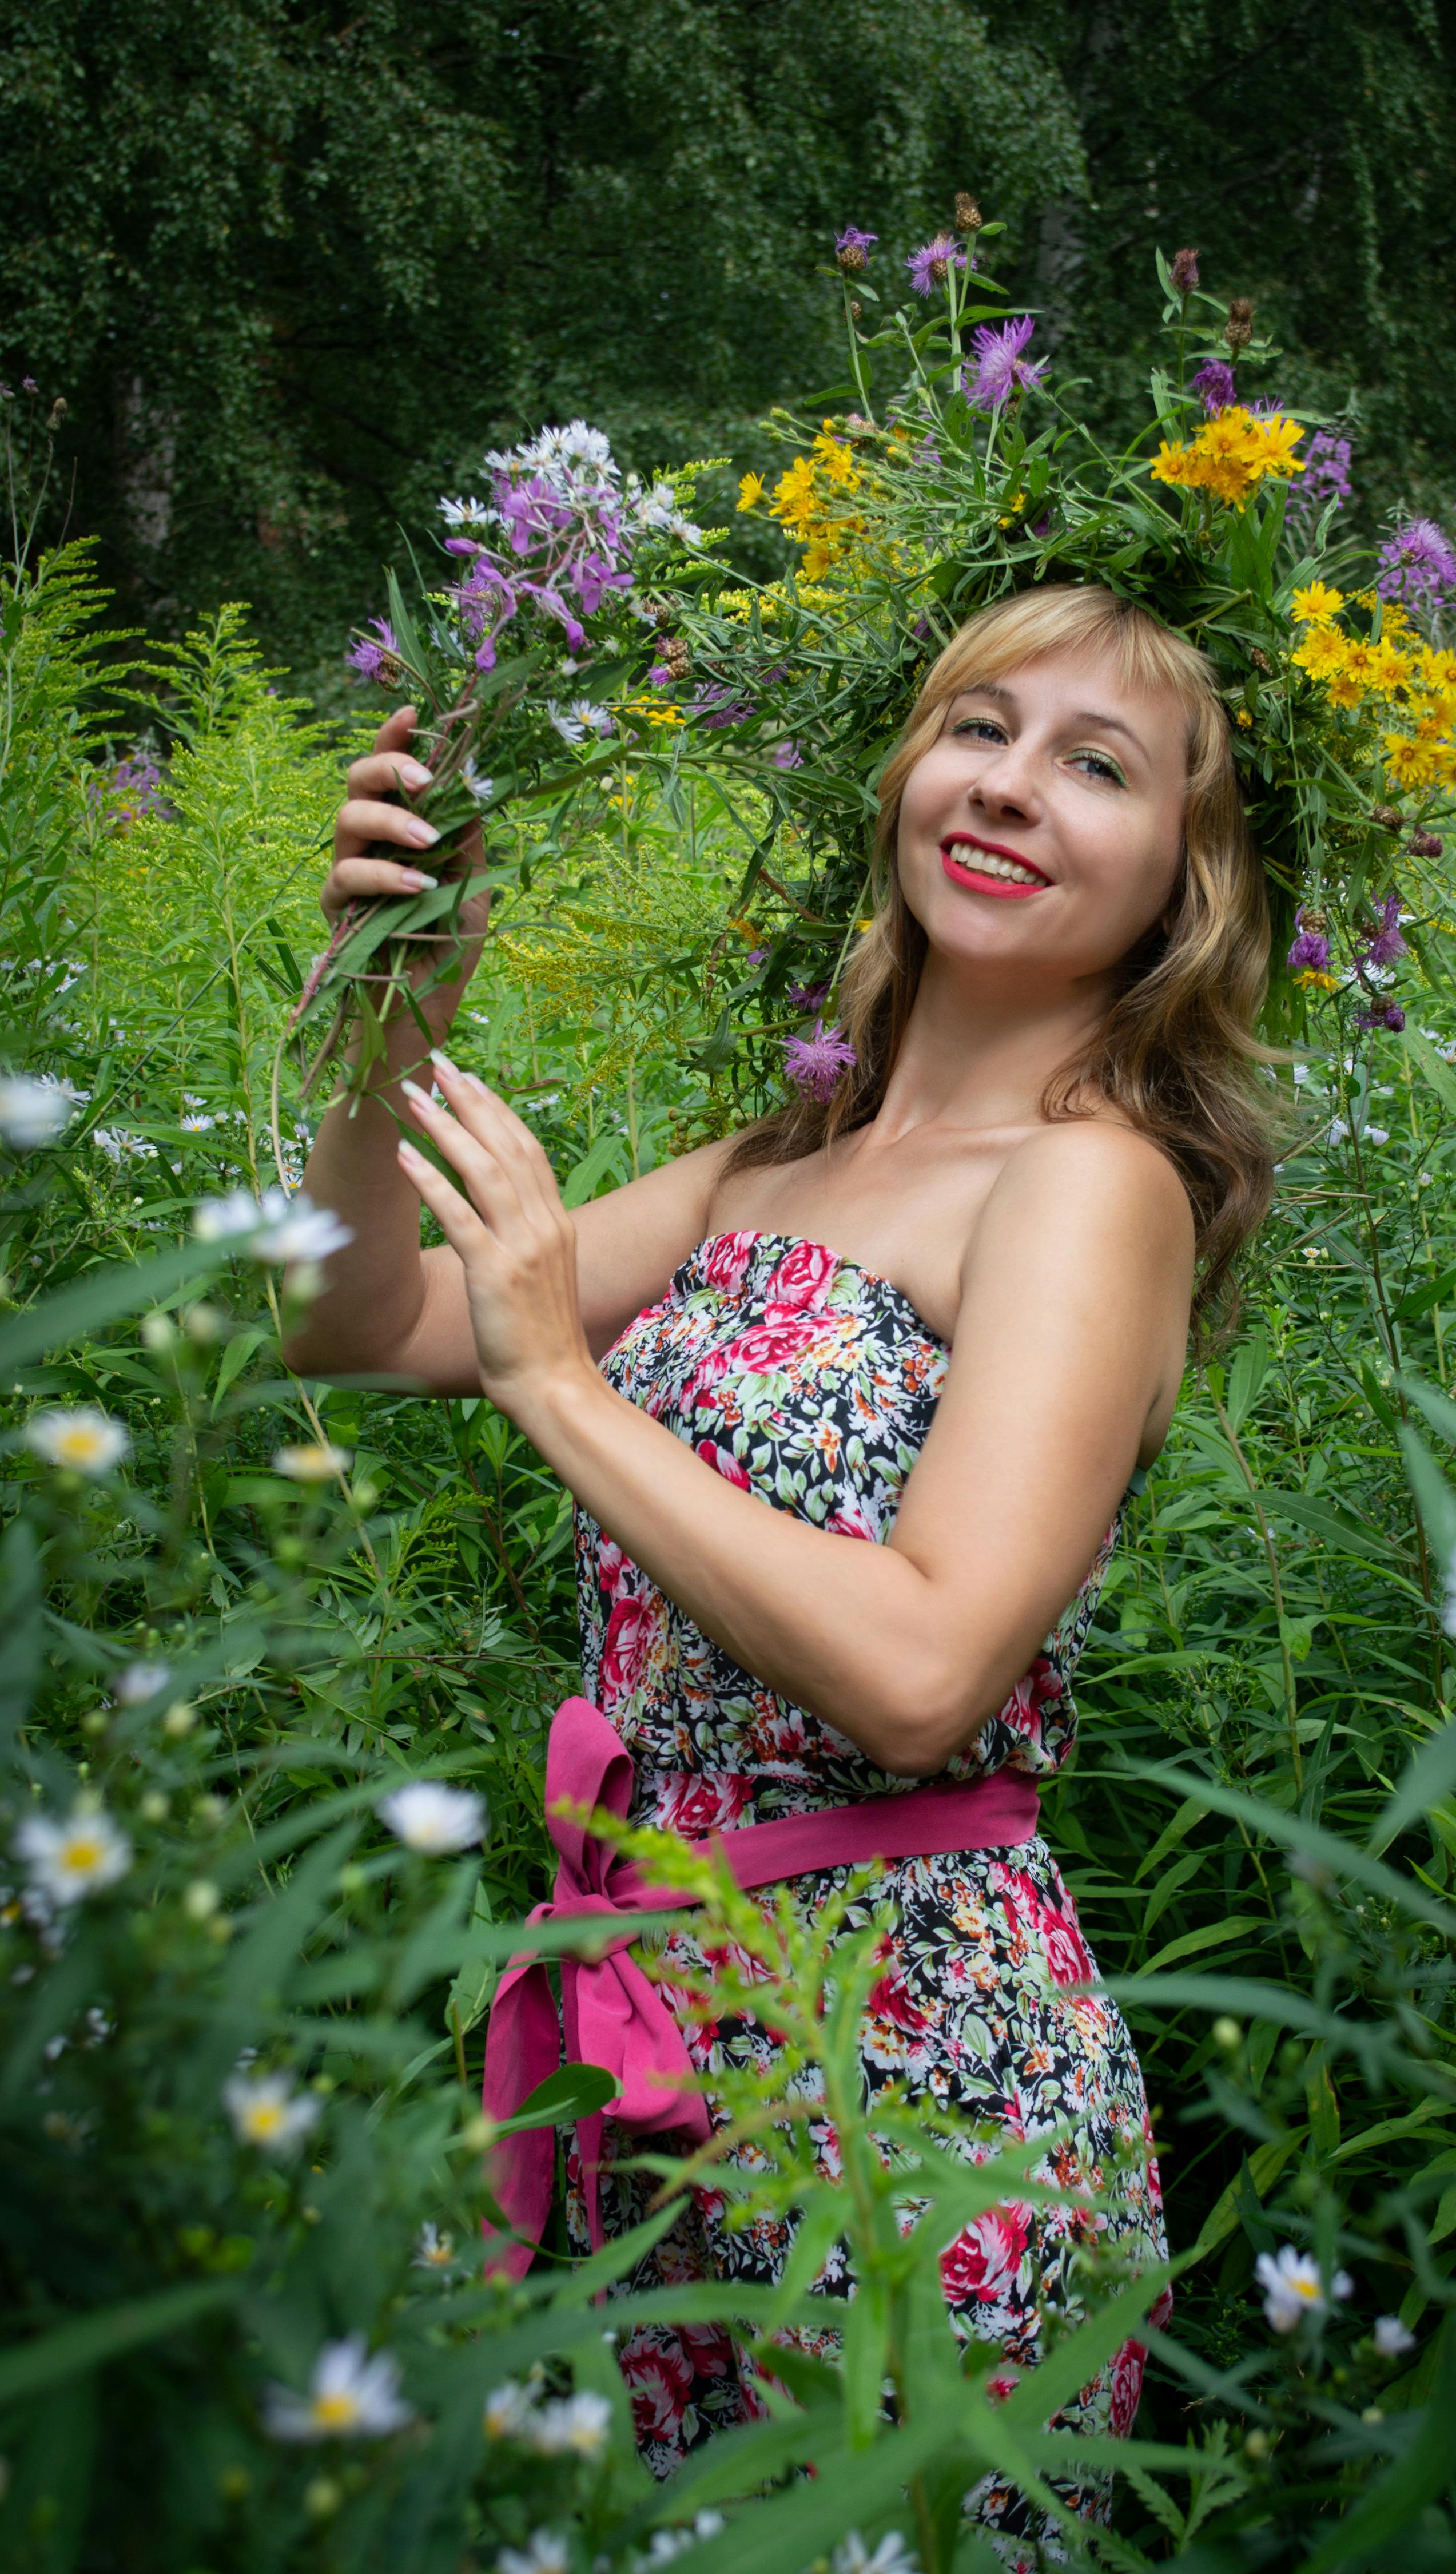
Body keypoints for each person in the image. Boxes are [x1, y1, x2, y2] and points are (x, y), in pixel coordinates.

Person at [288, 581, 1275, 2553]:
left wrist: (563, 1379)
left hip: (906, 2077)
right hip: (645, 2039)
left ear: (1186, 878)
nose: (1012, 786)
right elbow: (353, 1319)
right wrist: (397, 1007)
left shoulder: (1091, 1182)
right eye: (978, 726)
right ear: (905, 769)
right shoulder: (783, 1163)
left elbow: (928, 1672)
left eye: (1099, 764)